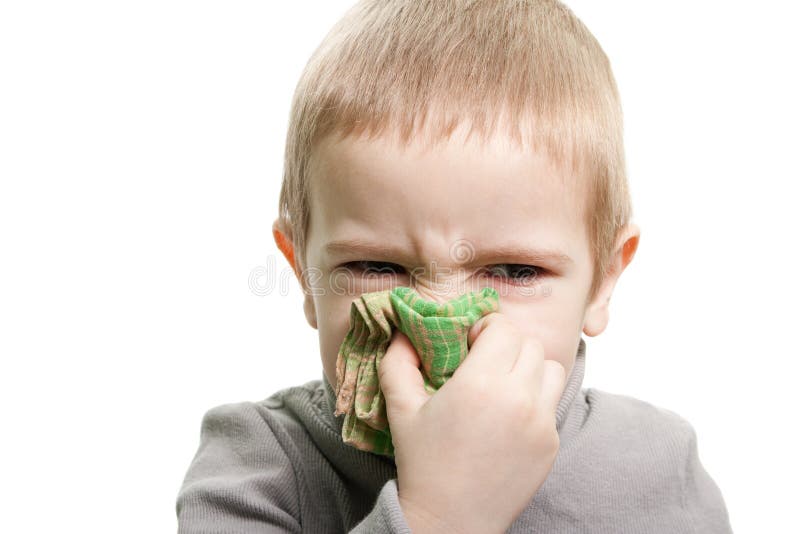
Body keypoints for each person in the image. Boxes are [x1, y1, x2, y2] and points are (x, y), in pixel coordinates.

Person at [175, 1, 733, 532]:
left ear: (603, 281)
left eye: (515, 272)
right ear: (303, 272)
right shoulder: (257, 465)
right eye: (376, 265)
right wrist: (440, 517)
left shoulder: (659, 464)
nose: (437, 316)